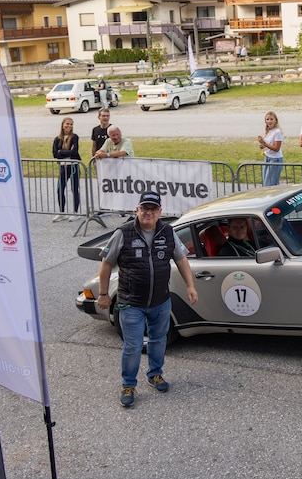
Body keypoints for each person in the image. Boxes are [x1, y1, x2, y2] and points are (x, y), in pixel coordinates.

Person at [96, 192, 198, 407]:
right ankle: (128, 385)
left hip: (161, 302)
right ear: (137, 210)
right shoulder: (123, 233)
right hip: (131, 303)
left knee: (158, 340)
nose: (148, 212)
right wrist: (104, 294)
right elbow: (106, 264)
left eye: (153, 209)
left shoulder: (168, 232)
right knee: (132, 347)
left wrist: (190, 286)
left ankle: (155, 374)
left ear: (160, 211)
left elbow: (181, 259)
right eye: (144, 208)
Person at [52, 118, 81, 222]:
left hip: (73, 166)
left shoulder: (74, 137)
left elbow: (74, 152)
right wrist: (65, 152)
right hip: (63, 167)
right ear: (62, 124)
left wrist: (61, 152)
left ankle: (75, 212)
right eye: (67, 124)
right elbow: (55, 154)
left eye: (71, 124)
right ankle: (62, 212)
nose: (69, 126)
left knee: (74, 189)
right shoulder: (57, 139)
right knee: (60, 189)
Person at [258, 111, 283, 186]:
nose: (269, 121)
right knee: (265, 183)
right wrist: (263, 145)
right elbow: (269, 144)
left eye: (271, 119)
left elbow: (276, 148)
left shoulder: (277, 132)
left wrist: (264, 143)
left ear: (276, 120)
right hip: (267, 157)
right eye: (267, 119)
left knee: (269, 185)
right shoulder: (268, 131)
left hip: (275, 159)